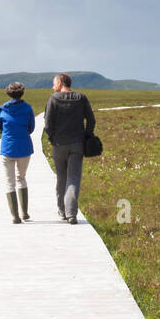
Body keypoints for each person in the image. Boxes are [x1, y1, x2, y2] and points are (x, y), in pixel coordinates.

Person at [43, 73, 95, 224]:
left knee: (61, 177)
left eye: (54, 84)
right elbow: (91, 120)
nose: (53, 87)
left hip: (58, 144)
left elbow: (47, 124)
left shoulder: (53, 99)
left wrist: (52, 138)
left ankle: (62, 210)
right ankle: (71, 213)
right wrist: (87, 136)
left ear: (60, 83)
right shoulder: (82, 98)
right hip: (77, 144)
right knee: (73, 178)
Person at [0, 81, 35, 224]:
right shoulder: (28, 108)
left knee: (9, 182)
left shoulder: (3, 110)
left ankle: (15, 216)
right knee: (21, 178)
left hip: (7, 149)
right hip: (24, 148)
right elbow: (31, 128)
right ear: (22, 93)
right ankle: (24, 213)